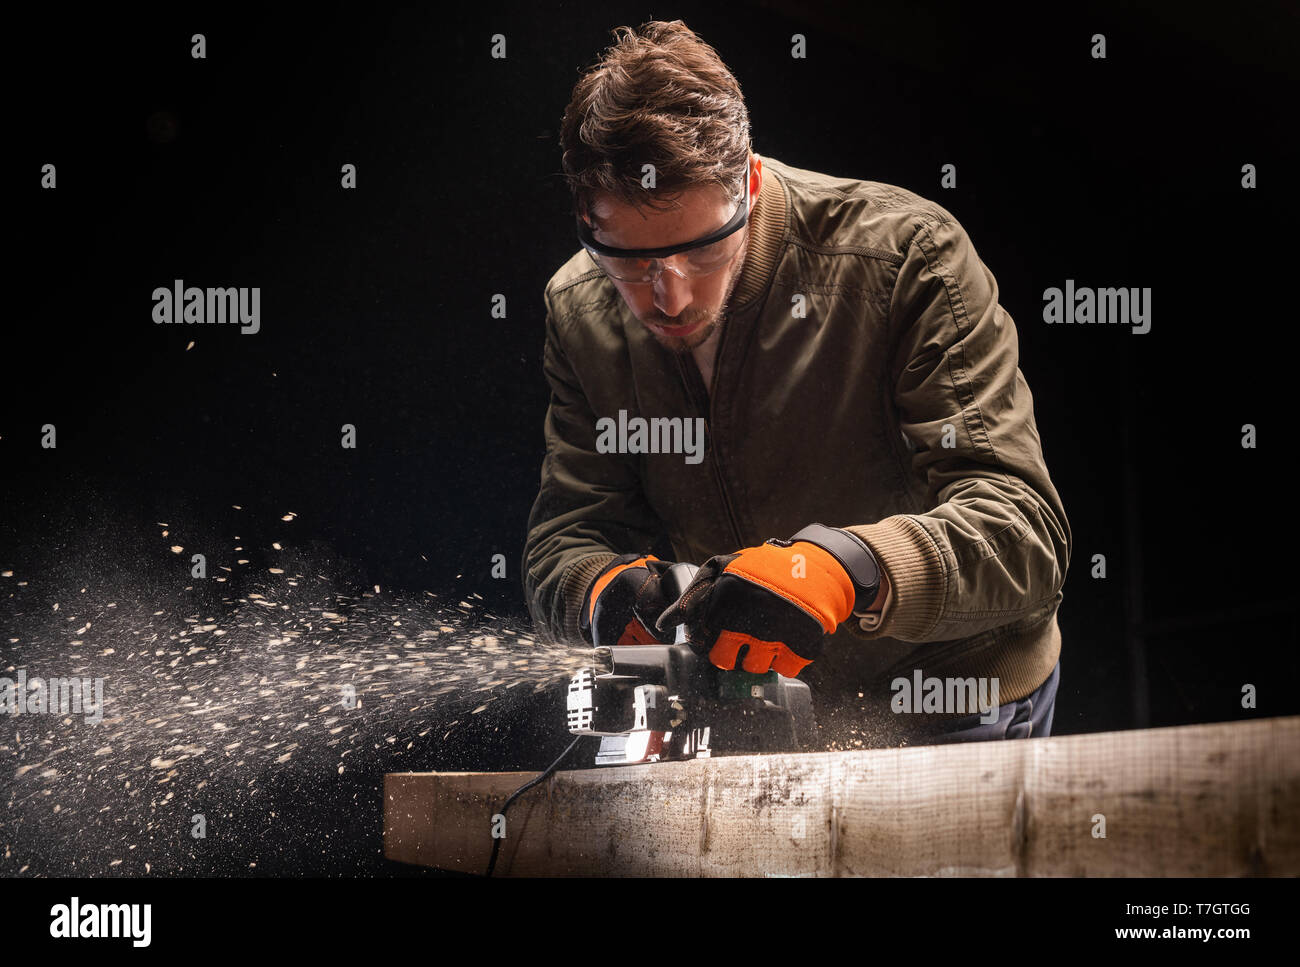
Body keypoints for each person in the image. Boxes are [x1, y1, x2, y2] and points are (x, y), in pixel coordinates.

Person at [522, 20, 1070, 744]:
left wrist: (847, 568)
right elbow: (568, 533)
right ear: (587, 222)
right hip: (761, 708)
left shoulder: (906, 258)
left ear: (748, 182)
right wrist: (599, 590)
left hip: (952, 690)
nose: (671, 297)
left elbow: (1024, 531)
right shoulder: (578, 307)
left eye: (701, 249)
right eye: (629, 262)